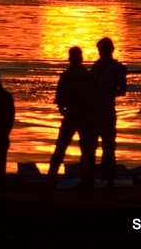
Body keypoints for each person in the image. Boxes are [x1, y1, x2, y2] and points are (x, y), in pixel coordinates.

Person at [48, 47, 96, 188]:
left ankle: (51, 178)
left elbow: (59, 99)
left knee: (62, 147)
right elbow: (92, 96)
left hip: (73, 115)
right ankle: (87, 180)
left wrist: (63, 109)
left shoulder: (69, 75)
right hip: (82, 115)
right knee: (85, 150)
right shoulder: (87, 75)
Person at [90, 37, 127, 187]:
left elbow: (121, 91)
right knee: (102, 145)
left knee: (106, 145)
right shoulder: (101, 66)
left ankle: (106, 177)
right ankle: (103, 176)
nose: (101, 53)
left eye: (102, 50)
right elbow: (122, 90)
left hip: (104, 110)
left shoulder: (113, 68)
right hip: (98, 111)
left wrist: (108, 91)